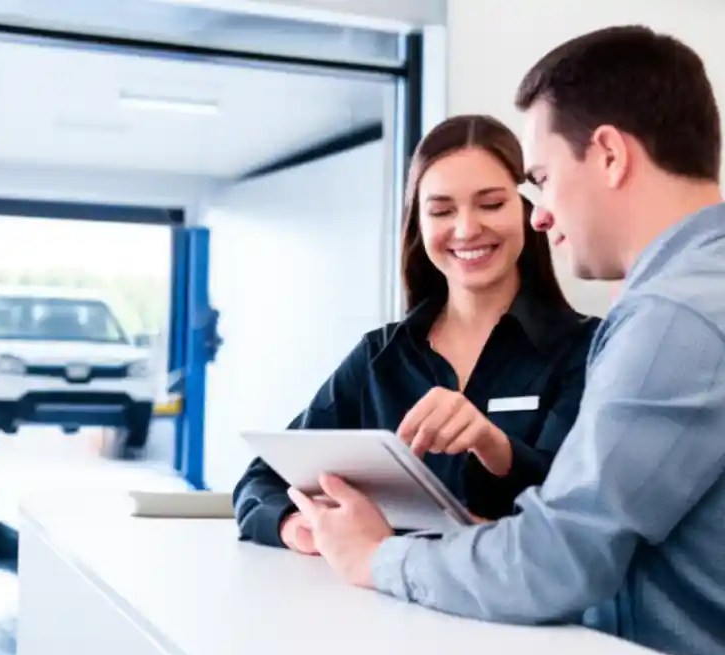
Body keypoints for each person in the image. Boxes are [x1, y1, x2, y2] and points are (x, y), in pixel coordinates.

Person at [288, 26, 725, 655]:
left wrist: (376, 558)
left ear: (611, 155)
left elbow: (558, 559)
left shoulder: (681, 318)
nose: (543, 214)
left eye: (539, 180)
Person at [233, 114, 600, 553]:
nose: (466, 229)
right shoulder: (380, 357)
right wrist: (299, 527)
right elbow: (262, 480)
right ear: (419, 224)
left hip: (520, 612)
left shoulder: (586, 349)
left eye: (491, 204)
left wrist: (494, 445)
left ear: (528, 211)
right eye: (442, 211)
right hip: (386, 607)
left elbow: (578, 514)